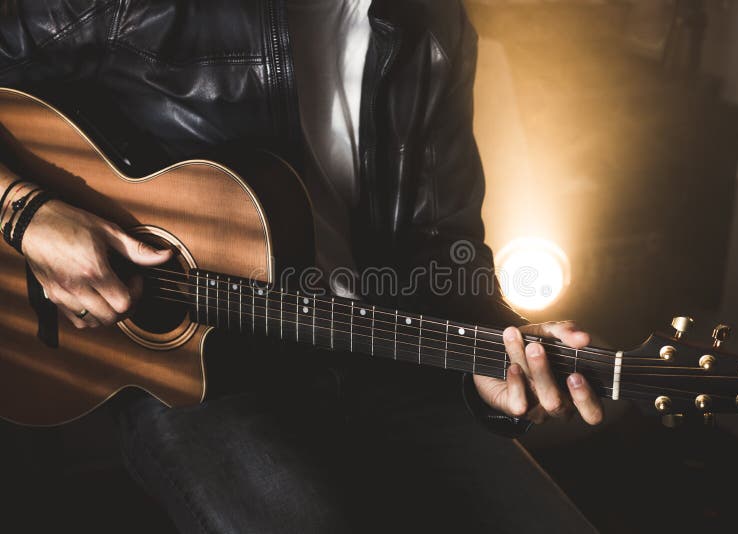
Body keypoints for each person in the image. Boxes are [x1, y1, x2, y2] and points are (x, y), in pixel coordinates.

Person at [0, 1, 603, 532]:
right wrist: (26, 213)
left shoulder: (432, 22)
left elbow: (446, 248)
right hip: (201, 378)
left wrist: (496, 350)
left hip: (381, 353)